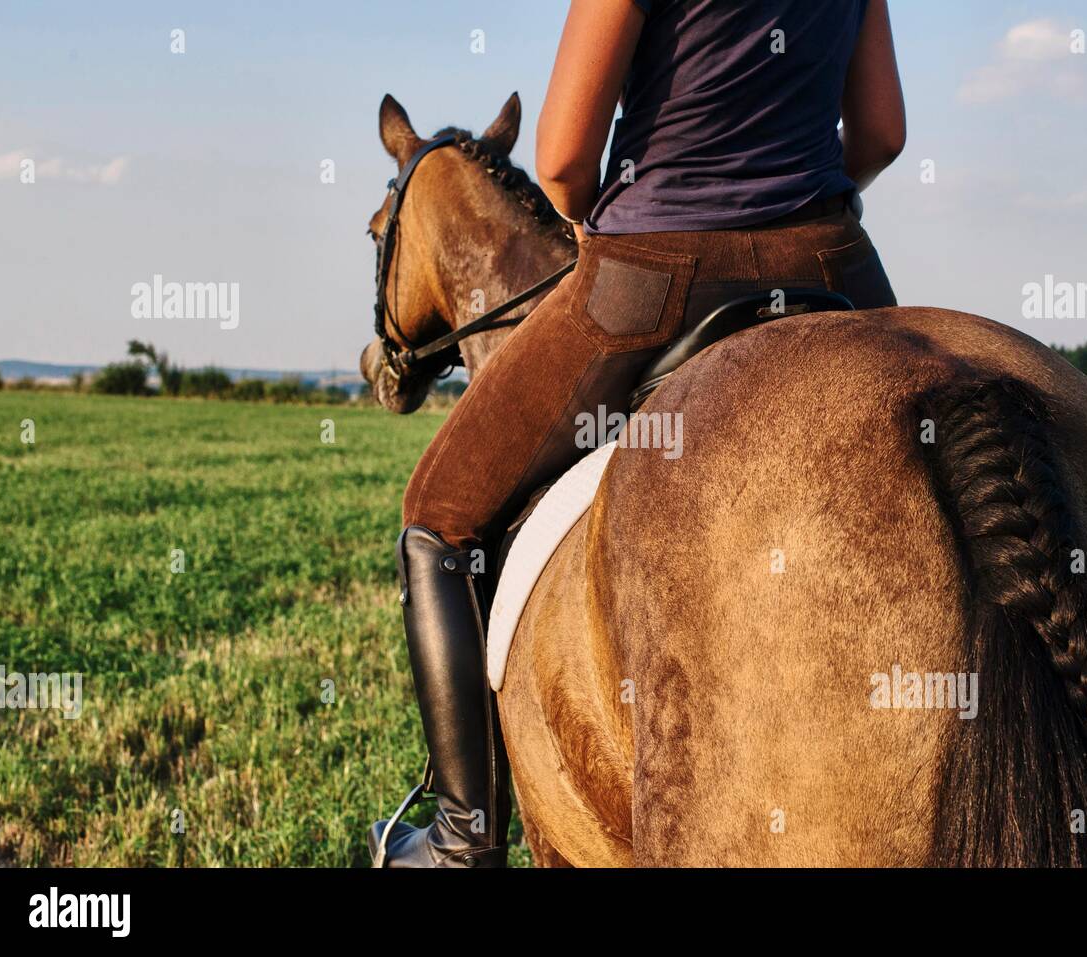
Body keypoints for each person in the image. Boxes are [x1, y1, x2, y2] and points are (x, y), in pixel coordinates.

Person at [371, 0, 905, 867]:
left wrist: (595, 219)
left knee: (438, 510)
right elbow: (881, 131)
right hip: (835, 264)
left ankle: (464, 837)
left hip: (659, 272)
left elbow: (564, 156)